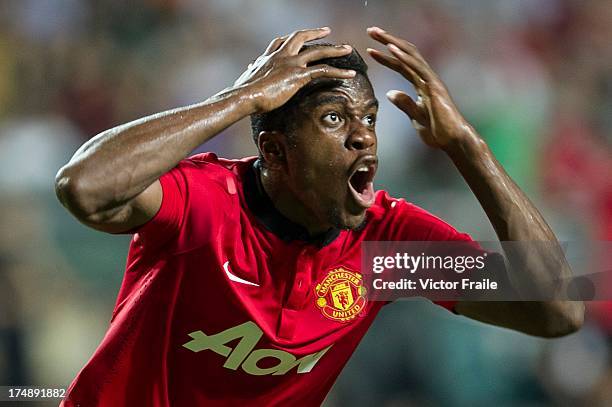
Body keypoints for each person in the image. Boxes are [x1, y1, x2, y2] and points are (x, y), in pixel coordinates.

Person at [55, 26, 584, 406]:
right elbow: (84, 188)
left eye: (369, 117)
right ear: (277, 151)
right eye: (334, 117)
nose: (363, 134)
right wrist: (240, 98)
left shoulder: (388, 250)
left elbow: (557, 312)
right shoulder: (204, 201)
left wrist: (468, 147)